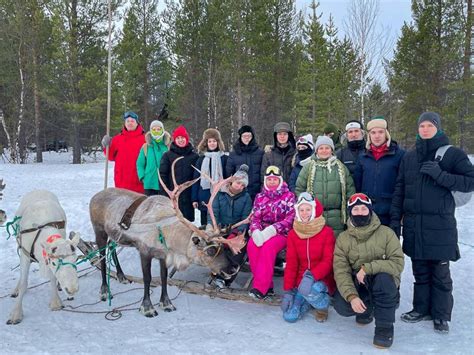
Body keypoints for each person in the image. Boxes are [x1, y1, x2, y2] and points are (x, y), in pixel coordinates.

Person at [390, 112, 474, 334]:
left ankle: (440, 315)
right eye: (422, 126)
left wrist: (441, 175)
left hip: (440, 225)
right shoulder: (409, 157)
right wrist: (395, 221)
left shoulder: (453, 154)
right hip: (414, 224)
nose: (425, 129)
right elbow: (400, 189)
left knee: (440, 272)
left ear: (438, 127)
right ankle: (420, 309)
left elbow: (470, 182)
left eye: (429, 125)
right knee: (420, 270)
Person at [333, 193, 404, 349]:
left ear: (370, 211)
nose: (359, 213)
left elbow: (397, 263)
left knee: (383, 280)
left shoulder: (386, 233)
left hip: (382, 282)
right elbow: (341, 270)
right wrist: (351, 296)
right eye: (355, 209)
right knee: (341, 304)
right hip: (359, 283)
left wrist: (368, 268)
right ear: (350, 212)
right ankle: (366, 310)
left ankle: (384, 329)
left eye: (363, 209)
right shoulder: (343, 238)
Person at [281, 192, 336, 323]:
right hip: (300, 283)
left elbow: (328, 260)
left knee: (312, 290)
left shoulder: (326, 232)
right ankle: (305, 300)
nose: (304, 213)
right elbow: (292, 263)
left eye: (308, 209)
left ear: (313, 210)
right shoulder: (293, 234)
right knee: (290, 317)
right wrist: (288, 290)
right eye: (301, 210)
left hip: (322, 279)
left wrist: (312, 276)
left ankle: (322, 306)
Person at [247, 165, 296, 299]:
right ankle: (267, 286)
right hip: (262, 231)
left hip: (282, 233)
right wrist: (256, 230)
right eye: (269, 179)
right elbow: (255, 217)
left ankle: (260, 288)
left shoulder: (289, 196)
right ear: (265, 181)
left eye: (275, 179)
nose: (272, 182)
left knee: (268, 248)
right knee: (252, 246)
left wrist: (273, 229)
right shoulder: (260, 197)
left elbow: (291, 218)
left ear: (280, 180)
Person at [295, 136, 355, 236]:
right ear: (316, 150)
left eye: (327, 148)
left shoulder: (341, 167)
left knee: (336, 247)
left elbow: (350, 191)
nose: (324, 151)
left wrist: (348, 215)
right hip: (315, 216)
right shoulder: (308, 167)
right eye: (321, 148)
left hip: (337, 218)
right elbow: (299, 189)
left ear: (332, 150)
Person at [353, 116, 404, 227]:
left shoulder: (399, 155)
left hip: (390, 212)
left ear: (386, 133)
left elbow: (402, 185)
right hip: (367, 211)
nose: (377, 136)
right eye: (373, 132)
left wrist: (399, 211)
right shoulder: (363, 156)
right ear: (369, 135)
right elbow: (357, 185)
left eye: (380, 132)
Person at [207, 164, 253, 288]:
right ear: (232, 181)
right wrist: (213, 228)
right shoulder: (219, 193)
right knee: (212, 245)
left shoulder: (246, 198)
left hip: (235, 230)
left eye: (243, 185)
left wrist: (237, 232)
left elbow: (245, 218)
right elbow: (213, 213)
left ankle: (225, 277)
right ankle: (215, 269)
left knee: (237, 247)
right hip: (219, 228)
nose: (240, 187)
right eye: (238, 183)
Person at [159, 125, 199, 221]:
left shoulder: (194, 156)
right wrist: (165, 195)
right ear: (174, 140)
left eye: (183, 138)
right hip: (173, 194)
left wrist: (195, 196)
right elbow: (163, 175)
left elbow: (197, 177)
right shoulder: (167, 156)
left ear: (187, 139)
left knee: (187, 222)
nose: (181, 140)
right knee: (173, 220)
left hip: (188, 195)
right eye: (178, 138)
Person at [101, 111, 145, 193]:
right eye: (127, 121)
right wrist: (106, 146)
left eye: (132, 121)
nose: (130, 123)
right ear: (124, 123)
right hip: (122, 182)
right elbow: (110, 156)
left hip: (139, 181)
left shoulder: (145, 139)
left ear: (137, 123)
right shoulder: (117, 139)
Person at [192, 128, 228, 227]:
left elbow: (228, 177)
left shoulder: (224, 159)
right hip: (204, 195)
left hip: (220, 195)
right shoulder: (201, 159)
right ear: (206, 143)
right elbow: (196, 180)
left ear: (218, 142)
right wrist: (194, 198)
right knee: (205, 225)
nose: (212, 143)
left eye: (214, 141)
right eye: (210, 141)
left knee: (219, 224)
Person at [226, 125, 264, 201]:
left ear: (252, 137)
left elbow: (262, 172)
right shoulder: (234, 153)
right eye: (244, 136)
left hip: (256, 191)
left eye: (249, 136)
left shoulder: (260, 152)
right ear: (240, 137)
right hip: (239, 191)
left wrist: (262, 188)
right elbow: (228, 172)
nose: (247, 138)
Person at [136, 120, 170, 196]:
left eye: (158, 129)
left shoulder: (168, 146)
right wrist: (143, 177)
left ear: (162, 130)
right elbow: (140, 164)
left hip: (165, 184)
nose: (156, 131)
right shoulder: (146, 147)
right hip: (149, 184)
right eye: (154, 129)